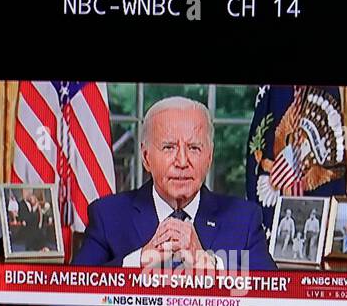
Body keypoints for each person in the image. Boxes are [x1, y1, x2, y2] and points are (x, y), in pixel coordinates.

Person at [73, 97, 273, 272]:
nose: (182, 162)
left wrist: (211, 265)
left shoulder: (243, 219)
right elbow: (67, 305)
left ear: (209, 157)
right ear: (146, 157)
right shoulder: (108, 215)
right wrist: (137, 261)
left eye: (194, 148)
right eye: (169, 147)